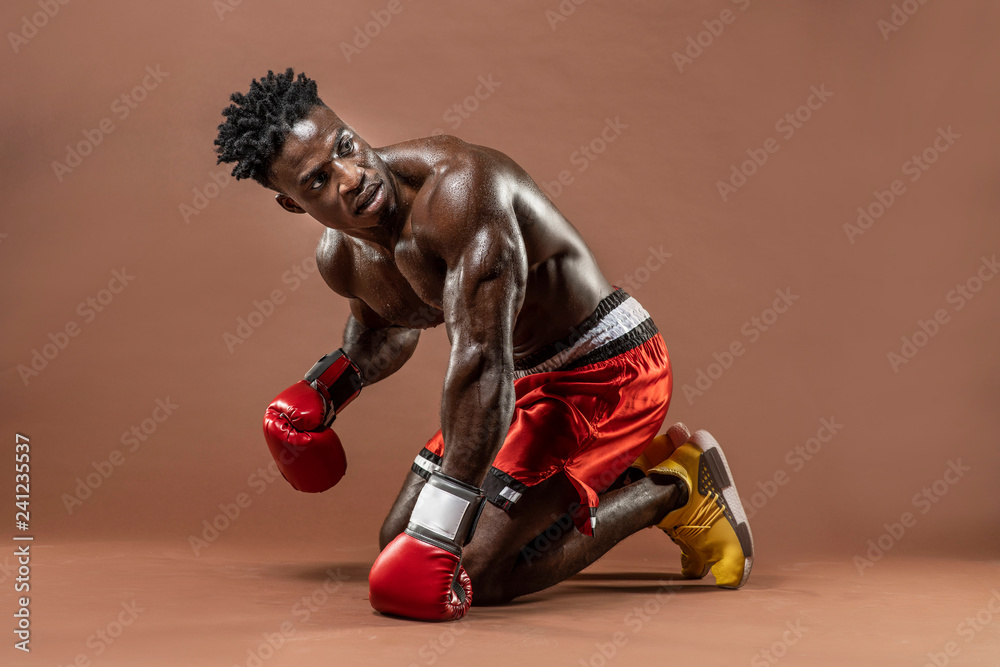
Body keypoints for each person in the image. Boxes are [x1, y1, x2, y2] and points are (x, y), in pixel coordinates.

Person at [214, 68, 753, 621]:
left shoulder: (460, 192)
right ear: (293, 205)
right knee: (396, 540)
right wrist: (327, 389)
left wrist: (443, 528)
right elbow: (389, 328)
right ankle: (625, 479)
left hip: (604, 371)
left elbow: (482, 365)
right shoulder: (343, 259)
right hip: (514, 383)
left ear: (351, 128)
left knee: (473, 571)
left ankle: (674, 487)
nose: (351, 177)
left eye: (347, 147)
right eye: (318, 181)